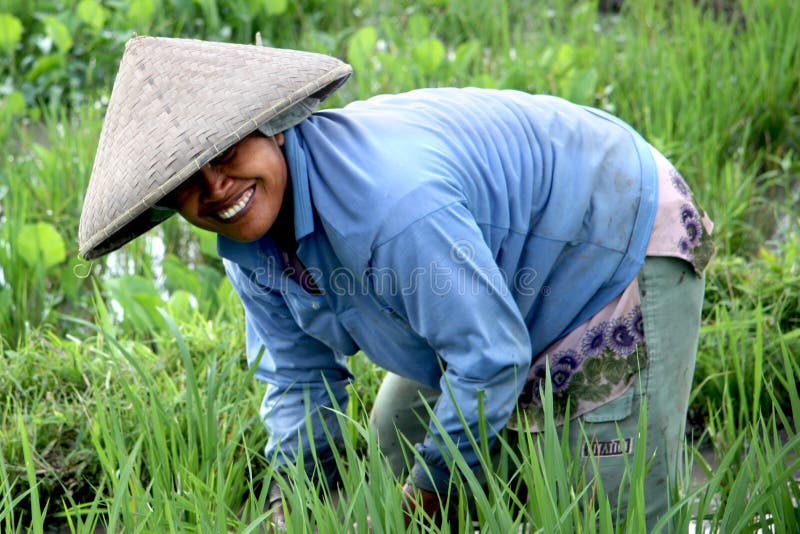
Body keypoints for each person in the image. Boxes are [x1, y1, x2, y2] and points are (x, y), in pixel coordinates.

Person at [79, 36, 714, 530]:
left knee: (613, 510)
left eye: (226, 155)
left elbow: (490, 358)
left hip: (604, 239)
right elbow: (299, 379)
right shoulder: (252, 244)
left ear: (272, 128)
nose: (215, 188)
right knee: (386, 462)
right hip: (482, 280)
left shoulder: (388, 207)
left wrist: (430, 493)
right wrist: (290, 503)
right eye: (187, 181)